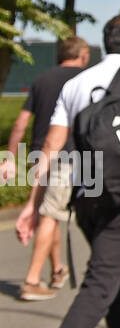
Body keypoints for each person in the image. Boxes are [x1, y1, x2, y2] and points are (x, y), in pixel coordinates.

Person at [16, 13, 120, 328]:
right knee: (101, 283)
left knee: (113, 274)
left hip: (86, 196)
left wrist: (32, 204)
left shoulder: (75, 83)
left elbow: (51, 147)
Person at [5, 37, 90, 301]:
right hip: (66, 156)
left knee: (46, 213)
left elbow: (21, 122)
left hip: (38, 157)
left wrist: (9, 156)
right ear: (83, 54)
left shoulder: (41, 79)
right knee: (50, 215)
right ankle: (31, 281)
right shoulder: (85, 81)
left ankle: (57, 269)